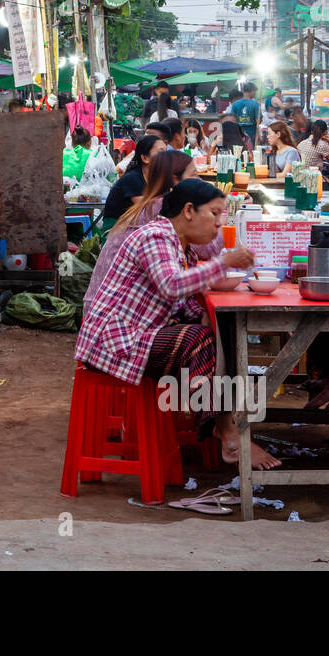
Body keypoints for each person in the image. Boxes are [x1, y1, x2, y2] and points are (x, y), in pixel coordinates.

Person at [77, 178, 280, 470]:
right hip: (113, 341)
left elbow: (178, 301)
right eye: (214, 213)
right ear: (188, 211)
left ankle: (226, 427)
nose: (219, 224)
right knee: (200, 341)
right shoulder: (155, 236)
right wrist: (224, 263)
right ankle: (227, 432)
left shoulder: (179, 247)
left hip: (134, 336)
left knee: (214, 333)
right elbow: (172, 286)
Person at [87, 151, 216, 307]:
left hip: (104, 304)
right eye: (194, 175)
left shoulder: (151, 204)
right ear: (176, 181)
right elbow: (210, 249)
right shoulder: (164, 208)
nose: (199, 181)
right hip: (113, 312)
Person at [104, 134, 165, 221]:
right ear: (145, 158)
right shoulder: (132, 178)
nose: (166, 157)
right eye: (161, 153)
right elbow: (148, 210)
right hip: (116, 227)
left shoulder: (155, 178)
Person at [228, 82, 261, 148]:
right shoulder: (255, 104)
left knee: (240, 154)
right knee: (252, 154)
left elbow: (232, 120)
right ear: (251, 91)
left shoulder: (235, 104)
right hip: (252, 135)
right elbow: (258, 121)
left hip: (239, 135)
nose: (255, 94)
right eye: (255, 91)